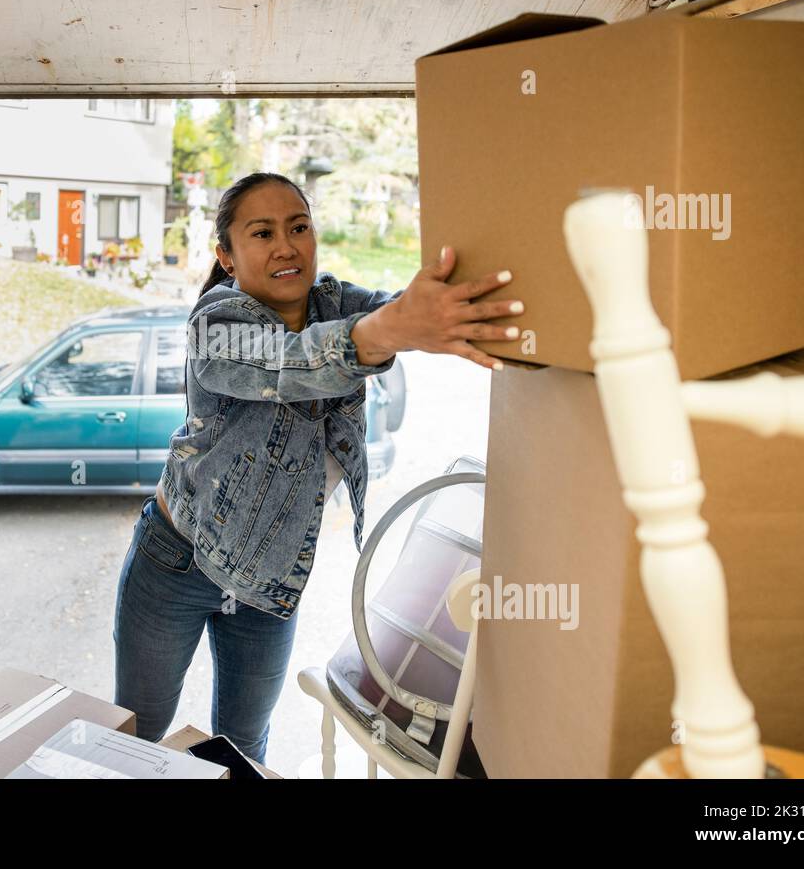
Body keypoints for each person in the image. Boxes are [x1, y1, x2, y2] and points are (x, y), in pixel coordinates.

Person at [113, 171, 525, 764]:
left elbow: (395, 314)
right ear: (227, 256)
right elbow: (292, 363)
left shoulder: (335, 302)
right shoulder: (216, 323)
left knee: (242, 746)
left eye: (298, 227)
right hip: (175, 561)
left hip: (268, 585)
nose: (286, 245)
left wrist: (437, 311)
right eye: (262, 233)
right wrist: (389, 330)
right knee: (137, 731)